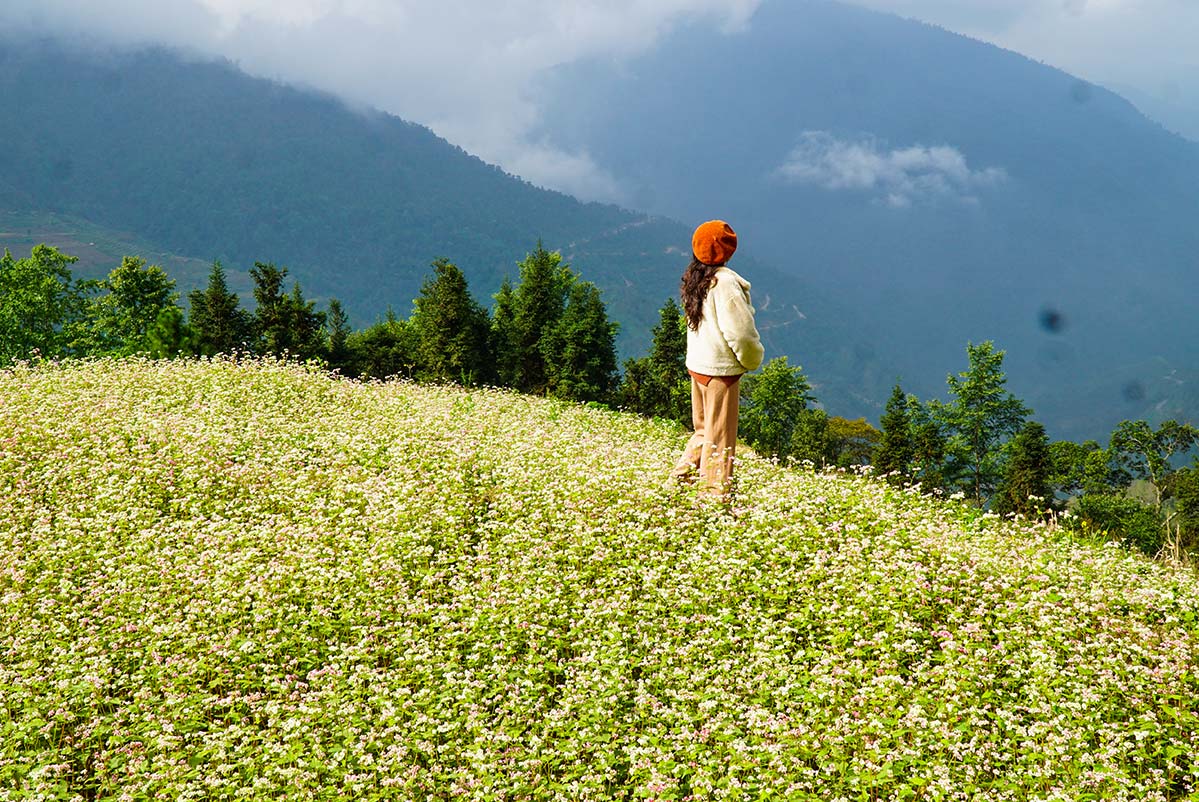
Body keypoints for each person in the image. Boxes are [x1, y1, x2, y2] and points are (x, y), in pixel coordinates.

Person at [671, 220, 764, 498]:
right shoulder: (725, 285)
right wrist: (752, 360)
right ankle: (714, 498)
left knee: (703, 431)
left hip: (698, 366)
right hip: (719, 373)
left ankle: (679, 481)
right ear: (729, 250)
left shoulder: (694, 277)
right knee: (720, 440)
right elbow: (741, 333)